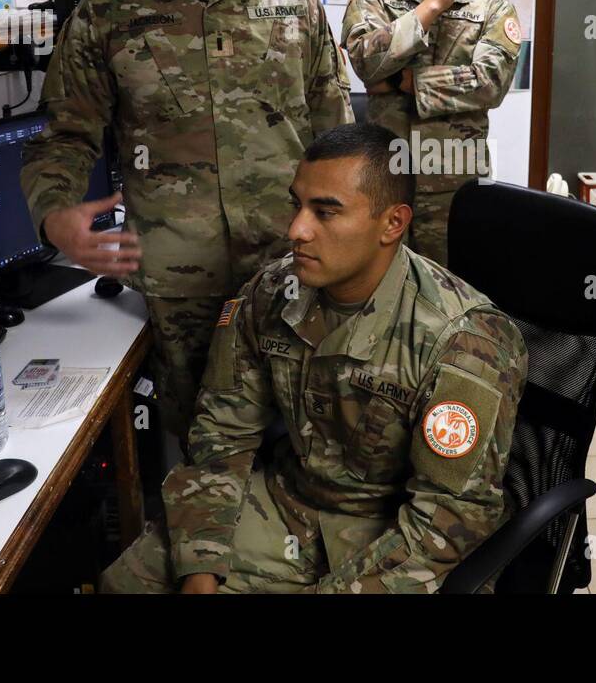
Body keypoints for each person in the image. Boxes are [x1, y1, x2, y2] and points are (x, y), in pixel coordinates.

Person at [21, 0, 352, 445]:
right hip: (180, 289)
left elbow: (336, 138)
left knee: (306, 440)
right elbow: (64, 135)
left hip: (290, 266)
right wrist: (55, 214)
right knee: (202, 447)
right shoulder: (110, 10)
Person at [100, 124, 528, 593]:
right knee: (128, 582)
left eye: (326, 212)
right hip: (291, 506)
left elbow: (448, 523)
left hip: (398, 536)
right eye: (297, 204)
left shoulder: (466, 342)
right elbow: (221, 437)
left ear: (392, 223)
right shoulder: (270, 294)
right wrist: (200, 571)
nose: (296, 230)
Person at [342, 0, 522, 265]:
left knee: (457, 291)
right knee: (379, 286)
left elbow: (490, 84)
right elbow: (364, 62)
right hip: (386, 178)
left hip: (456, 181)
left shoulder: (492, 6)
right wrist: (432, 5)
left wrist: (405, 82)